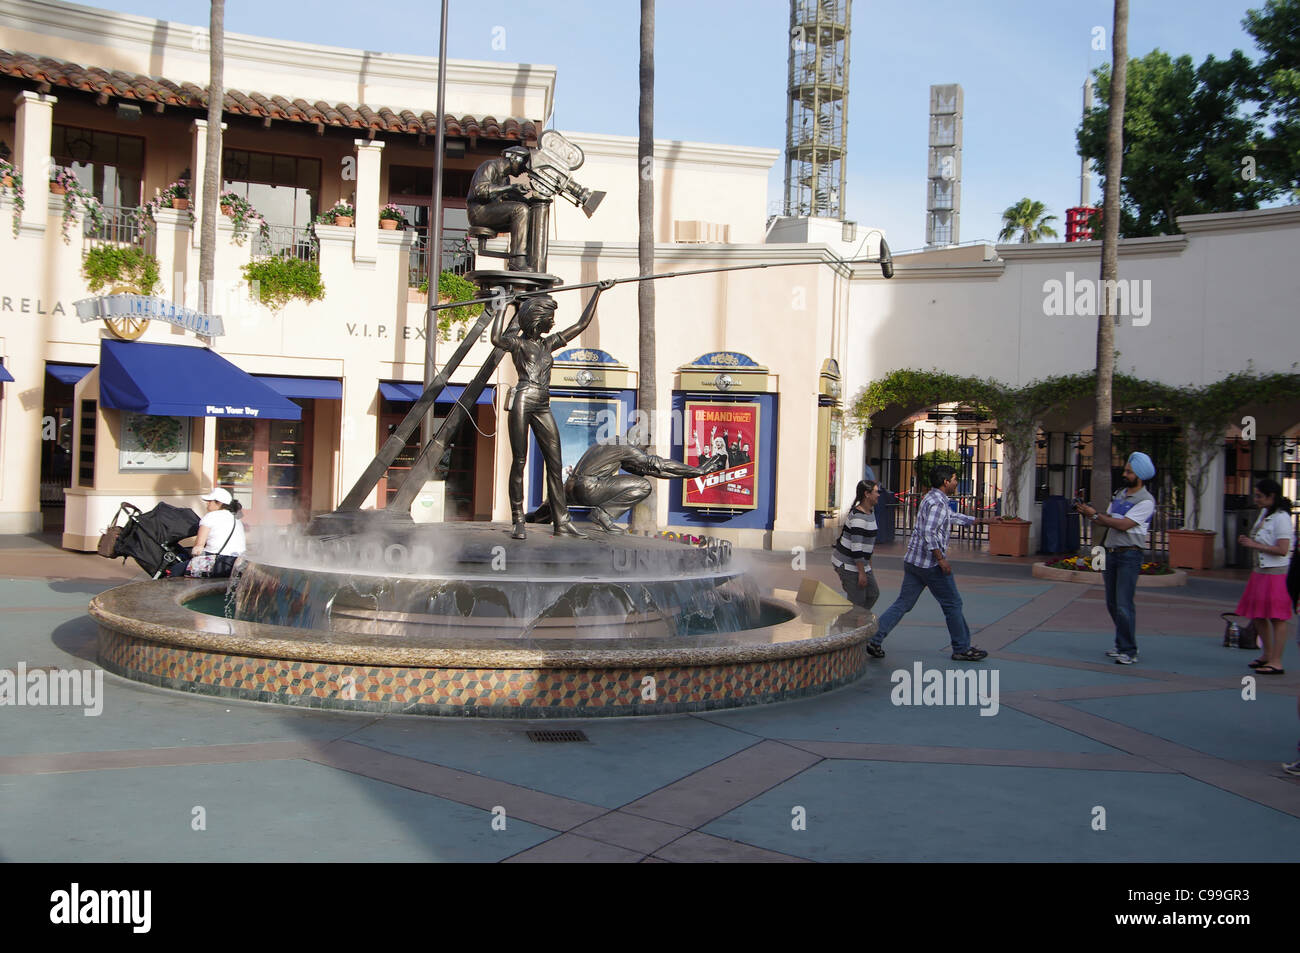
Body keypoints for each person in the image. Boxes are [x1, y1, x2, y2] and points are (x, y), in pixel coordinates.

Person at [492, 282, 613, 539]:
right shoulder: (518, 344)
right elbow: (495, 339)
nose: (553, 324)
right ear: (538, 320)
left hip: (543, 404)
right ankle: (517, 519)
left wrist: (598, 293)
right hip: (524, 399)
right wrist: (502, 306)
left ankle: (562, 521)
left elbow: (581, 325)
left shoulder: (547, 345)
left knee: (555, 464)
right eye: (550, 319)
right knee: (520, 460)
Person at [865, 464, 995, 661]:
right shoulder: (937, 503)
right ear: (946, 482)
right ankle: (961, 648)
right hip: (930, 565)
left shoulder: (933, 498)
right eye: (954, 479)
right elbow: (929, 532)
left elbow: (950, 517)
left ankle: (875, 639)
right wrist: (941, 559)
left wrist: (981, 521)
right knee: (952, 603)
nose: (956, 482)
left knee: (903, 603)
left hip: (914, 562)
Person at [525, 428, 725, 533]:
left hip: (569, 488)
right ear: (636, 441)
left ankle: (540, 517)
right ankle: (603, 515)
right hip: (589, 489)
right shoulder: (626, 447)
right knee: (643, 486)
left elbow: (632, 468)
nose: (642, 452)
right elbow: (658, 466)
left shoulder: (604, 444)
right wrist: (695, 471)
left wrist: (539, 515)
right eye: (642, 448)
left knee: (571, 485)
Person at [1075, 452, 1156, 665]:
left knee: (1123, 603)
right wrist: (1090, 514)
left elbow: (1123, 525)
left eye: (1129, 471)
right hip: (1111, 552)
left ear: (1140, 475)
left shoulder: (1146, 501)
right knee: (1112, 603)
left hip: (1130, 554)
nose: (1125, 473)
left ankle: (1129, 650)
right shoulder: (1120, 494)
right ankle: (1121, 643)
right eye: (1126, 470)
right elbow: (1109, 519)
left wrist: (1095, 515)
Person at [1235, 478, 1295, 676]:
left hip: (1275, 574)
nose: (1256, 498)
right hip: (1260, 571)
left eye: (1260, 495)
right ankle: (1267, 654)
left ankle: (1277, 661)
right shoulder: (1265, 513)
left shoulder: (1281, 518)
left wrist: (1254, 545)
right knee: (1258, 614)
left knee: (1277, 617)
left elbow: (1283, 549)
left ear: (1272, 496)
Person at [466, 146, 533, 270]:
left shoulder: (505, 178)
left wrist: (529, 201)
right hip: (479, 212)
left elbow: (506, 196)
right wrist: (510, 188)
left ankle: (525, 257)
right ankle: (517, 260)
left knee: (530, 213)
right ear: (513, 158)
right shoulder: (490, 166)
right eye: (523, 163)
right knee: (520, 210)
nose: (524, 169)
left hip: (490, 210)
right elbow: (481, 191)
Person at [831, 480, 881, 624]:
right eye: (876, 492)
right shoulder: (858, 517)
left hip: (861, 565)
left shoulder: (871, 511)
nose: (879, 495)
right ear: (867, 494)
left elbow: (868, 545)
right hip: (848, 564)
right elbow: (856, 548)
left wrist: (868, 567)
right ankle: (848, 627)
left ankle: (849, 620)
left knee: (873, 593)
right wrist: (861, 573)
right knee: (858, 601)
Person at [179, 487, 246, 578]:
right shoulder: (236, 519)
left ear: (219, 503)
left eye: (210, 501)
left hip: (218, 564)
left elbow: (198, 549)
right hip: (237, 564)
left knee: (176, 569)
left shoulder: (211, 516)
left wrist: (192, 556)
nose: (207, 503)